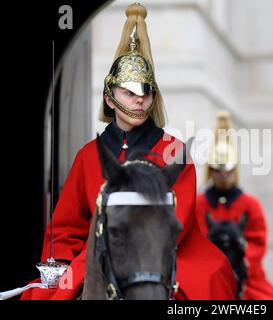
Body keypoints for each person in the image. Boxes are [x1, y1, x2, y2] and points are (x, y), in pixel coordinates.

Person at [21, 3, 236, 300]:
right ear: (110, 98)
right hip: (104, 246)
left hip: (162, 246)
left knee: (212, 278)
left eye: (145, 93)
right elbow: (67, 225)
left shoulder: (174, 152)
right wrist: (60, 264)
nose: (139, 100)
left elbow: (179, 220)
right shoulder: (88, 155)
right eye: (129, 93)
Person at [196, 111, 273, 300]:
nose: (223, 175)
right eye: (217, 171)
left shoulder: (250, 204)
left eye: (227, 171)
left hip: (246, 275)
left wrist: (241, 262)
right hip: (205, 272)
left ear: (234, 170)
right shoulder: (198, 204)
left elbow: (258, 241)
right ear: (210, 171)